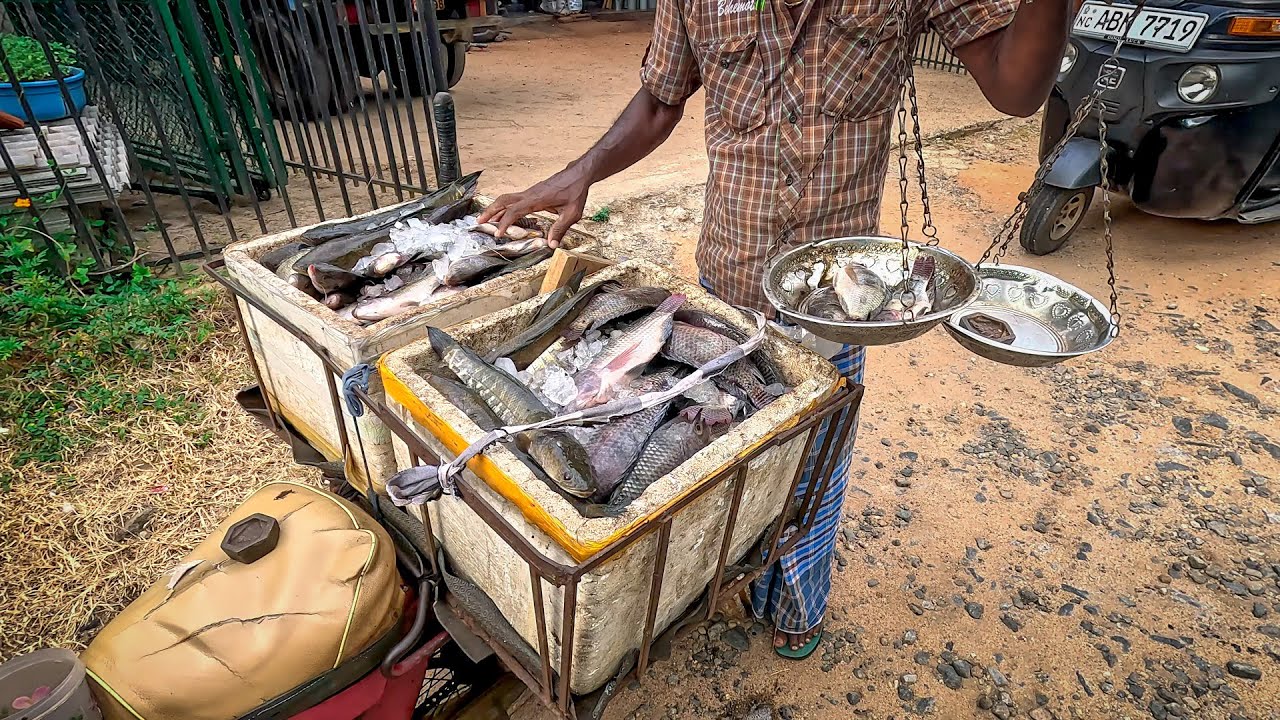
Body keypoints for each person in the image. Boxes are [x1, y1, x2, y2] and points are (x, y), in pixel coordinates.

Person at [478, 0, 1074, 659]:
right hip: (728, 282)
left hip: (837, 302)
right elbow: (658, 101)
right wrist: (580, 172)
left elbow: (1015, 90)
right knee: (715, 452)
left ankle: (794, 598)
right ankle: (719, 576)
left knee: (817, 462)